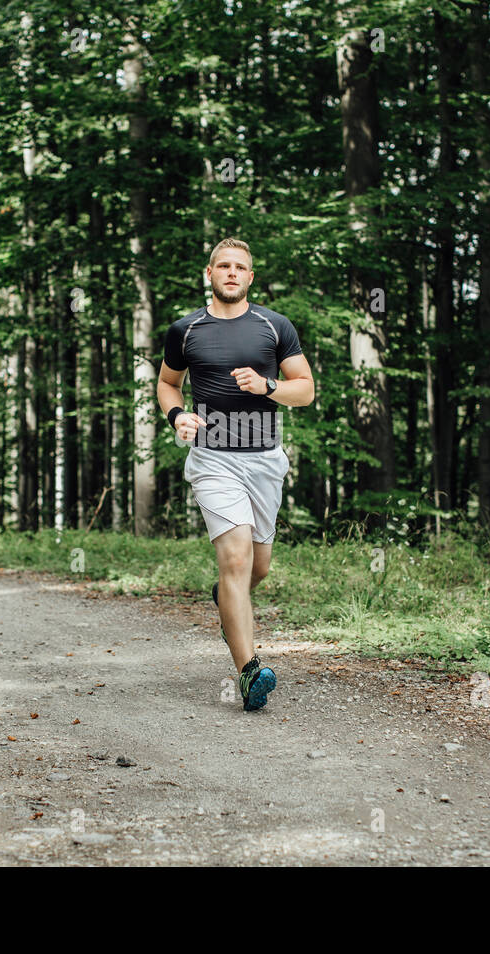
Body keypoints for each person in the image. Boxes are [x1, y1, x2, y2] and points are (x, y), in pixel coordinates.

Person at [156, 238, 315, 711]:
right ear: (209, 273)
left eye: (239, 267)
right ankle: (249, 673)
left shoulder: (274, 326)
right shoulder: (186, 330)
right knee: (237, 562)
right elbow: (168, 384)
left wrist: (268, 386)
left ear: (250, 277)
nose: (230, 272)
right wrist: (177, 415)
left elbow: (304, 390)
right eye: (222, 265)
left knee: (256, 569)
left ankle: (227, 599)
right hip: (213, 459)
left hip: (265, 460)